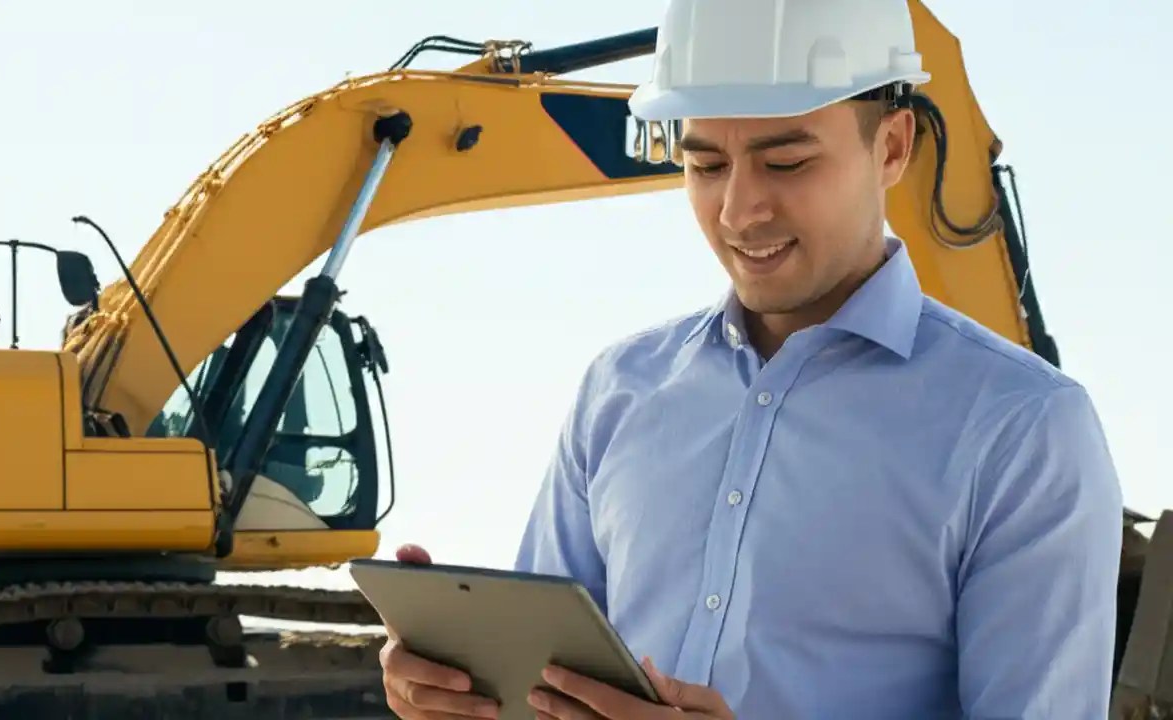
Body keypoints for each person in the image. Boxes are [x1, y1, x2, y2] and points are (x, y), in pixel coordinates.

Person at [377, 0, 1125, 717]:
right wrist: (461, 692)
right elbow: (543, 686)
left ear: (892, 147)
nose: (738, 211)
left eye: (788, 162)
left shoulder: (1024, 429)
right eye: (705, 167)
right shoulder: (619, 392)